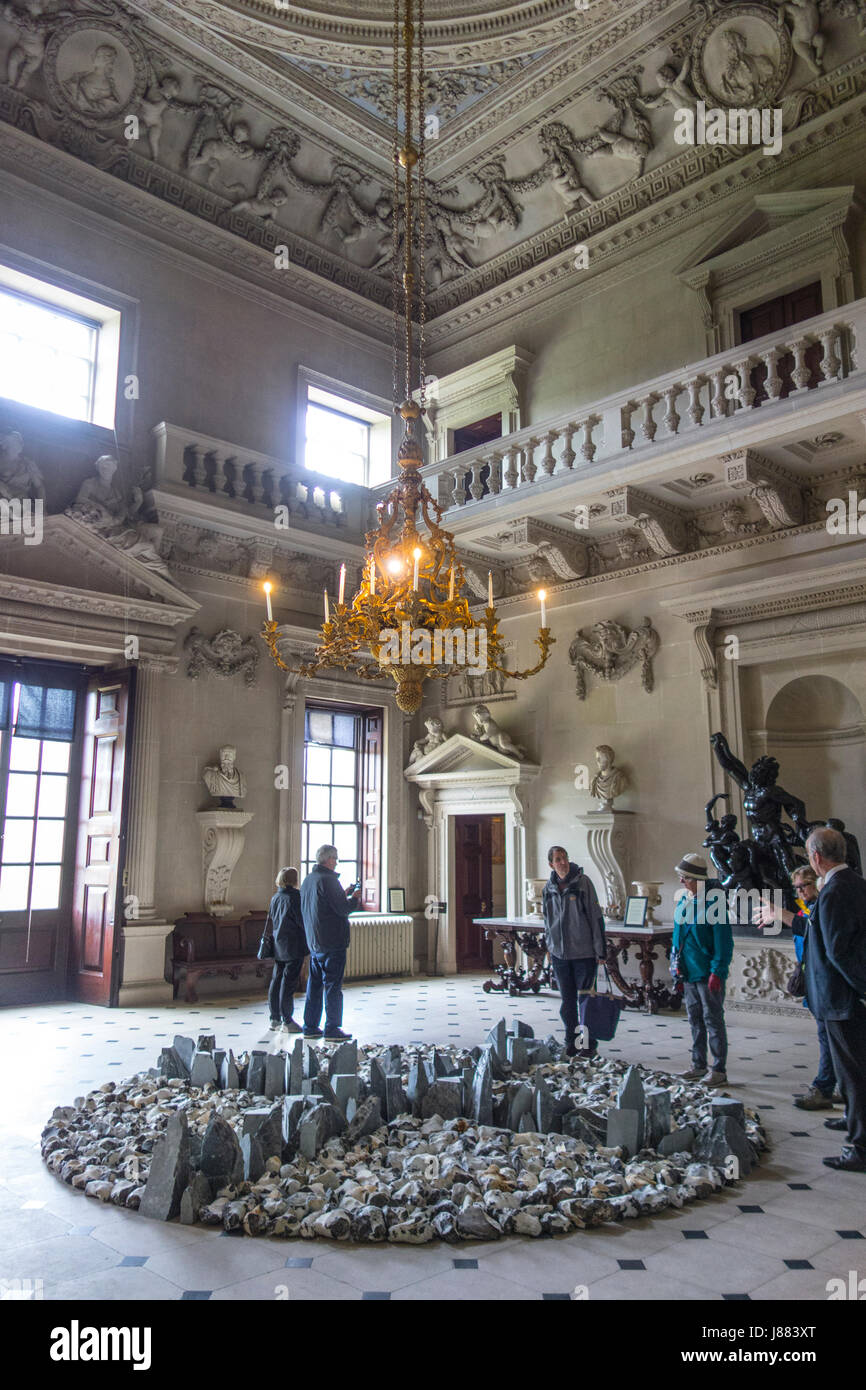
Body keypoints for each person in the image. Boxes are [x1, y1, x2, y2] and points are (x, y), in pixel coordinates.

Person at [801, 827, 866, 1171]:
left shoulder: (835, 892)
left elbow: (838, 952)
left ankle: (859, 1147)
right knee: (849, 1070)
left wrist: (861, 990)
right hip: (844, 997)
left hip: (841, 998)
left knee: (854, 1074)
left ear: (816, 857)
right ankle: (852, 1119)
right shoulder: (855, 883)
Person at [758, 864, 841, 1110]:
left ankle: (825, 1088)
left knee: (829, 1038)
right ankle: (839, 1086)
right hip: (815, 981)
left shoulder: (826, 904)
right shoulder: (810, 907)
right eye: (796, 888)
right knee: (829, 1038)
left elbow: (813, 930)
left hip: (828, 983)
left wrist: (780, 914)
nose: (800, 892)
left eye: (803, 886)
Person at [672, 853, 733, 1087]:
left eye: (684, 877)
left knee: (713, 1019)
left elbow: (723, 943)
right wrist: (676, 966)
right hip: (688, 971)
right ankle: (698, 1065)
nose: (681, 882)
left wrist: (718, 971)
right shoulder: (684, 902)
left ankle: (718, 1069)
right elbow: (678, 938)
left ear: (697, 879)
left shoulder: (715, 903)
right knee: (694, 1019)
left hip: (707, 974)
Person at [541, 846, 607, 1059]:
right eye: (558, 859)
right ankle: (571, 1041)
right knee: (567, 1002)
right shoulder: (548, 888)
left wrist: (600, 950)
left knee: (586, 1001)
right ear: (551, 864)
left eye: (565, 858)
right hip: (560, 954)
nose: (563, 862)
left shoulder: (583, 883)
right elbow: (547, 920)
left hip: (583, 953)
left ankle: (588, 1045)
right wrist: (550, 947)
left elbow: (595, 916)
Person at [300, 844, 361, 1042]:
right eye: (335, 859)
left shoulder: (309, 880)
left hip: (314, 941)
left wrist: (343, 893)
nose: (336, 862)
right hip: (333, 942)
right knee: (333, 985)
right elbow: (342, 909)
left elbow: (321, 905)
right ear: (329, 859)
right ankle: (332, 1028)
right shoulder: (329, 880)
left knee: (314, 984)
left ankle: (310, 1025)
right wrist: (354, 899)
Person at [260, 867, 308, 1042]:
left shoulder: (276, 897)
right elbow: (301, 921)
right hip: (293, 944)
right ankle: (287, 1020)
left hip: (278, 944)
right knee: (288, 983)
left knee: (276, 980)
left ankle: (274, 1018)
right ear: (295, 880)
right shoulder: (295, 897)